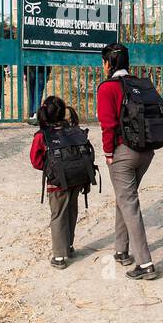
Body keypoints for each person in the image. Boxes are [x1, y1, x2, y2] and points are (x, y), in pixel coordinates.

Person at [96, 42, 156, 280]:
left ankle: (145, 263)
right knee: (125, 197)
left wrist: (109, 153)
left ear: (108, 63)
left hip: (123, 153)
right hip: (147, 152)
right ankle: (121, 251)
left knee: (129, 203)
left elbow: (108, 125)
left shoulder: (107, 88)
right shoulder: (140, 84)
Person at [29, 95, 95, 270]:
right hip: (77, 180)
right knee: (71, 212)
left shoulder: (42, 136)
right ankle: (69, 246)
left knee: (58, 215)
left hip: (57, 183)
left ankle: (59, 256)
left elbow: (36, 161)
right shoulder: (73, 129)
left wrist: (51, 168)